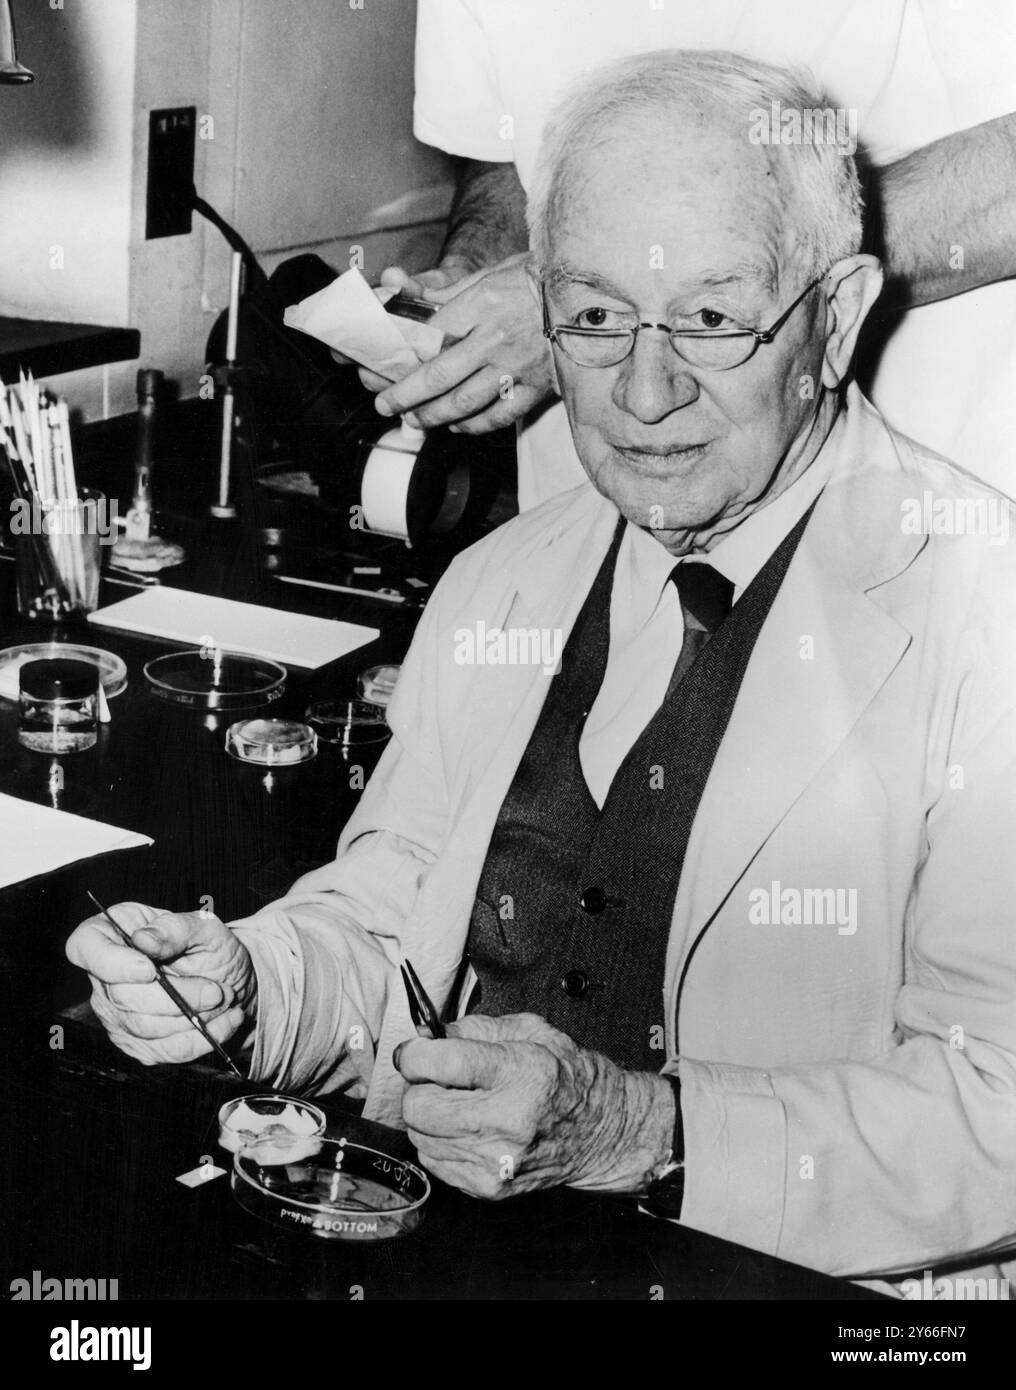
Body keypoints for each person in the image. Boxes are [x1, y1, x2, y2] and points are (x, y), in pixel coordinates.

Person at [67, 50, 1016, 1297]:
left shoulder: (981, 612)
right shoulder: (503, 583)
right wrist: (250, 986)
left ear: (833, 320)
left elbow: (996, 1107)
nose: (642, 389)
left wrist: (642, 1131)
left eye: (715, 319)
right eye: (592, 314)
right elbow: (387, 926)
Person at [370, 0, 1016, 507]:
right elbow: (504, 150)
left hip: (919, 472)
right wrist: (467, 286)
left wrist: (591, 296)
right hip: (590, 493)